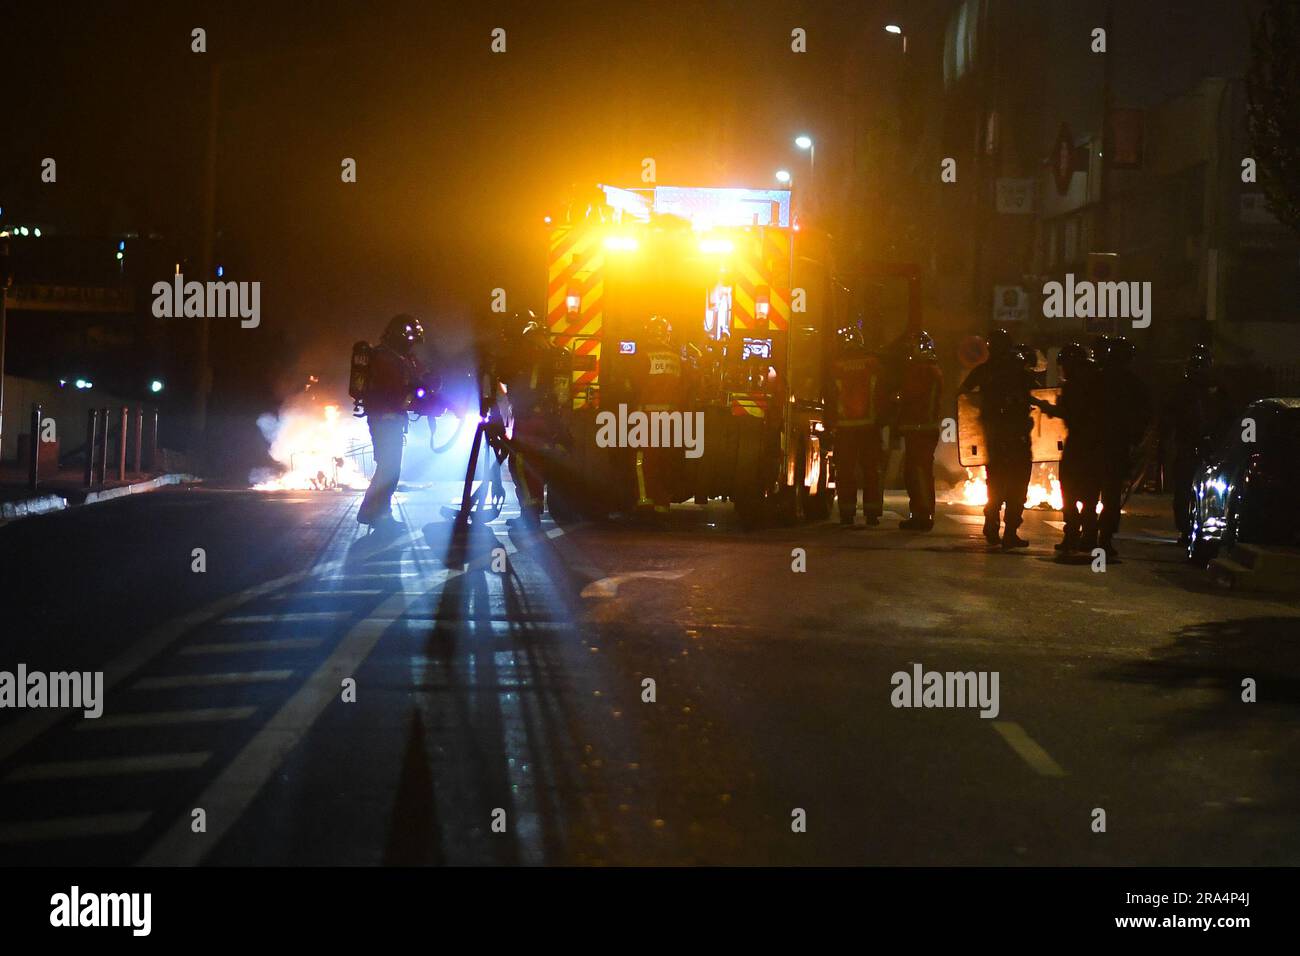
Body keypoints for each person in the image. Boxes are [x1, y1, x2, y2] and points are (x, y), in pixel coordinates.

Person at [960, 329, 1034, 549]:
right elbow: (1036, 396)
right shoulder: (1019, 372)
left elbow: (962, 394)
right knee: (1017, 485)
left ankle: (991, 524)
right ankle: (1010, 532)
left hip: (994, 437)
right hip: (1017, 437)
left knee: (996, 482)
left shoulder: (983, 371)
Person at [1032, 342, 1103, 553]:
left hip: (1080, 444)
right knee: (1089, 495)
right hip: (1095, 446)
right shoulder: (1096, 383)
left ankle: (1072, 535)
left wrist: (1046, 407)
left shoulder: (1075, 386)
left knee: (1070, 492)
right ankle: (1090, 536)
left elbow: (1070, 414)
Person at [357, 314, 427, 528]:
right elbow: (397, 393)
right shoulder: (386, 359)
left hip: (390, 419)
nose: (413, 345)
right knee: (389, 468)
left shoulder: (398, 358)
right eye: (411, 340)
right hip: (385, 420)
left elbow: (417, 381)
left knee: (388, 467)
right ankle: (376, 512)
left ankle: (375, 512)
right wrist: (421, 400)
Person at [1165, 343, 1234, 545]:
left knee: (1209, 492)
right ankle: (1187, 530)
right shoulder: (1182, 390)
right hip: (1189, 447)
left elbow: (1228, 418)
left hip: (1210, 450)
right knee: (1184, 491)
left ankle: (1202, 528)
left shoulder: (1218, 392)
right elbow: (1170, 417)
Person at [500, 318, 562, 526]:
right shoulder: (555, 355)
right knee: (537, 461)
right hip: (549, 417)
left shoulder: (527, 353)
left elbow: (504, 373)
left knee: (520, 462)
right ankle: (535, 506)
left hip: (529, 417)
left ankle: (530, 510)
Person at [1096, 336, 1152, 559]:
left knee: (1090, 493)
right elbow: (1144, 417)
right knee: (1110, 497)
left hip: (1098, 446)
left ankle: (1086, 536)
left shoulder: (1098, 379)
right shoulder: (1133, 384)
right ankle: (1103, 539)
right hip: (1115, 447)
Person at [830, 325, 884, 528]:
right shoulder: (872, 363)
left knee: (846, 471)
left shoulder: (836, 365)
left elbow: (830, 394)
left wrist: (831, 421)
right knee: (871, 470)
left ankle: (846, 513)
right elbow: (882, 392)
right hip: (869, 427)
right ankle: (872, 514)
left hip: (845, 428)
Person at [632, 315, 683, 515]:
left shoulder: (643, 355)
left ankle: (645, 502)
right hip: (670, 418)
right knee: (663, 460)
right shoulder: (675, 357)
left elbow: (635, 384)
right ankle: (662, 504)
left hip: (646, 416)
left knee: (641, 460)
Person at [895, 330, 944, 531]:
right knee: (916, 472)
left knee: (917, 473)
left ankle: (923, 516)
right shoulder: (931, 369)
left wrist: (894, 397)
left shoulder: (922, 370)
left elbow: (909, 395)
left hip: (920, 428)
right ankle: (919, 514)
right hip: (921, 429)